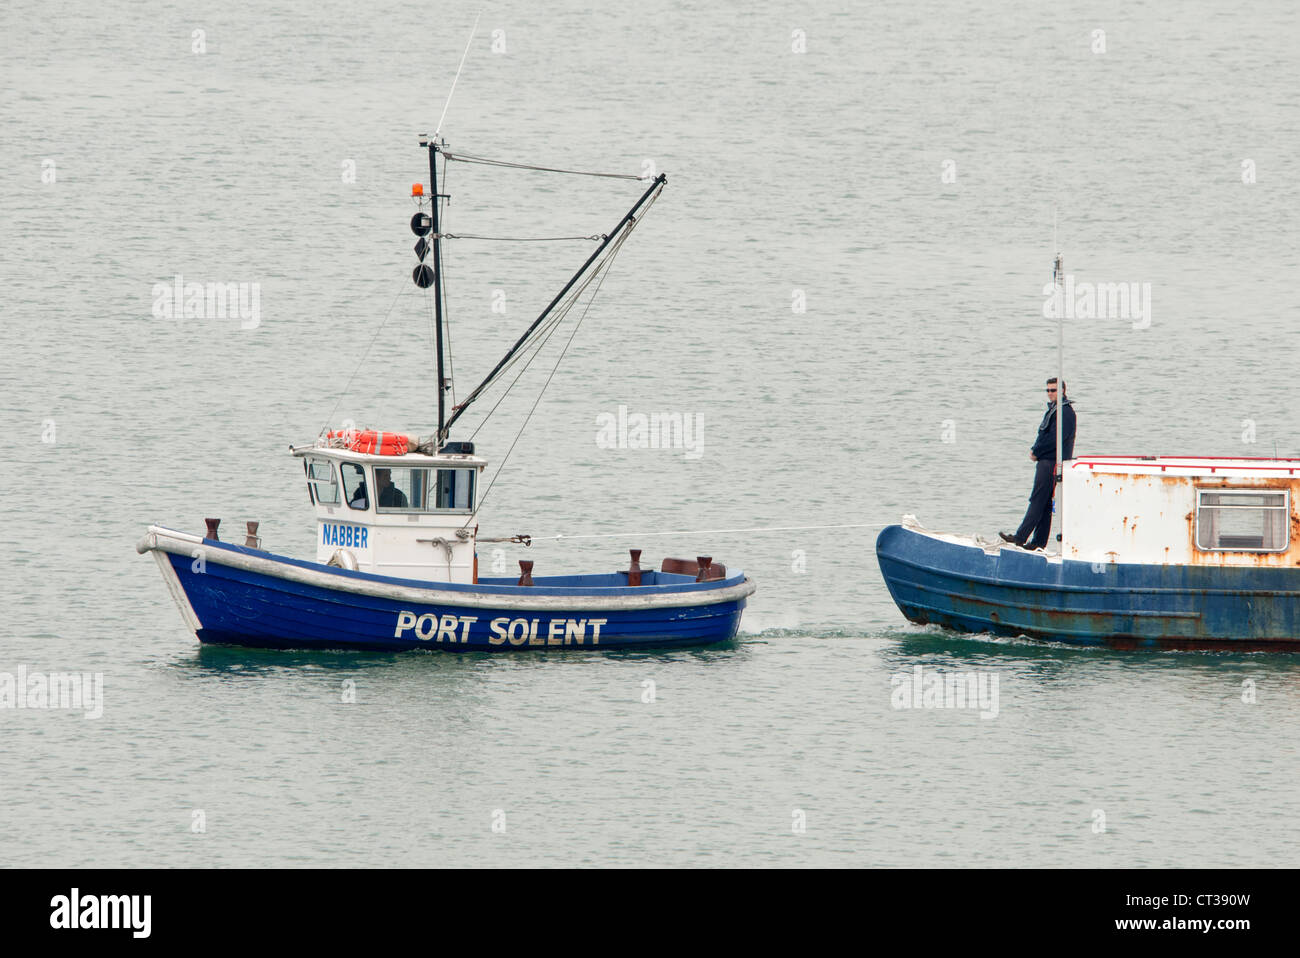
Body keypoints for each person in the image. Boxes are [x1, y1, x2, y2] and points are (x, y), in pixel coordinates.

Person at [1001, 377, 1076, 550]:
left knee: (1037, 500)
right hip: (1047, 462)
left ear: (1063, 391)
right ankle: (1038, 543)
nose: (1050, 394)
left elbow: (1054, 439)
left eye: (1053, 390)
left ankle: (1020, 537)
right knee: (1045, 503)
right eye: (1048, 390)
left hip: (1050, 463)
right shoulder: (1056, 410)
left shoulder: (1065, 412)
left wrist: (1036, 451)